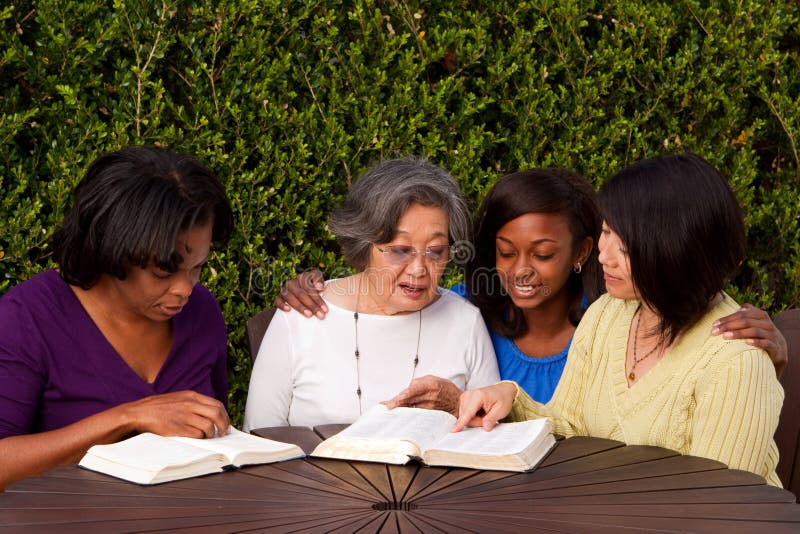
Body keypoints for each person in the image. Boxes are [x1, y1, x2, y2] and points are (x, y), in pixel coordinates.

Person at [275, 169, 787, 408]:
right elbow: (391, 284)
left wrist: (773, 349)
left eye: (543, 255)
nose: (521, 271)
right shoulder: (467, 305)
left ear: (582, 252)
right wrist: (317, 287)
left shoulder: (612, 319)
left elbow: (686, 324)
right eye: (504, 252)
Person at [454, 152, 784, 487]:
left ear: (675, 250)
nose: (602, 255)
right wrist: (509, 397)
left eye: (624, 247)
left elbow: (718, 507)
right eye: (606, 232)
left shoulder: (735, 361)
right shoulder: (606, 314)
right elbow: (570, 427)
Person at [0, 146, 234, 490]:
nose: (185, 288)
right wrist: (130, 417)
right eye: (163, 272)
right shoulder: (27, 319)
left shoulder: (201, 312)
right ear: (112, 252)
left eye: (197, 267)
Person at [242, 158, 499, 430]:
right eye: (400, 250)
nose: (419, 269)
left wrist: (458, 404)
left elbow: (492, 437)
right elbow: (260, 439)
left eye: (436, 251)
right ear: (364, 245)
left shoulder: (465, 321)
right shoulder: (302, 315)